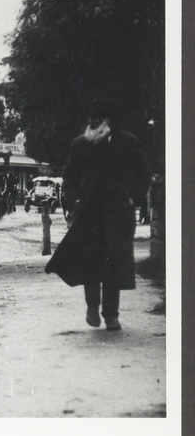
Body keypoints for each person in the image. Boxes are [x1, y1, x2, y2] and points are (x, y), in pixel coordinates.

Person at [45, 98, 152, 331]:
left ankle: (111, 315)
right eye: (90, 119)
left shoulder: (129, 142)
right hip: (87, 213)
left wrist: (132, 197)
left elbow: (144, 174)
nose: (92, 122)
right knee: (90, 261)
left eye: (98, 118)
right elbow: (70, 175)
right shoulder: (80, 144)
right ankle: (92, 307)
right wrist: (73, 201)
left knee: (114, 263)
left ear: (109, 122)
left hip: (118, 213)